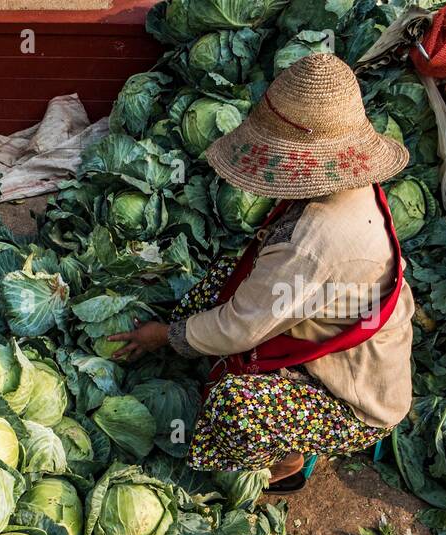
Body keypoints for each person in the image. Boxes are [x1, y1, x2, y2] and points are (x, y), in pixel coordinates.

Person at [109, 54, 414, 493]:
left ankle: (284, 460)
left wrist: (165, 336)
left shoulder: (314, 244)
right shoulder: (349, 187)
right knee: (224, 278)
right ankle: (210, 362)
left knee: (238, 409)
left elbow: (238, 328)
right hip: (328, 332)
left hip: (351, 396)